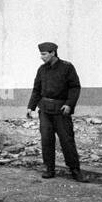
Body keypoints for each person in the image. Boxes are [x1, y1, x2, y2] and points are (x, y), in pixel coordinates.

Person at [26, 42, 86, 181]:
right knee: (46, 139)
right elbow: (36, 89)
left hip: (61, 110)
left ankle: (75, 170)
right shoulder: (42, 70)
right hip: (45, 110)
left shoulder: (67, 67)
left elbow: (75, 87)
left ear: (53, 53)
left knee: (67, 140)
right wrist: (31, 107)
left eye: (44, 54)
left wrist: (69, 104)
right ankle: (49, 168)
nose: (41, 57)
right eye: (41, 54)